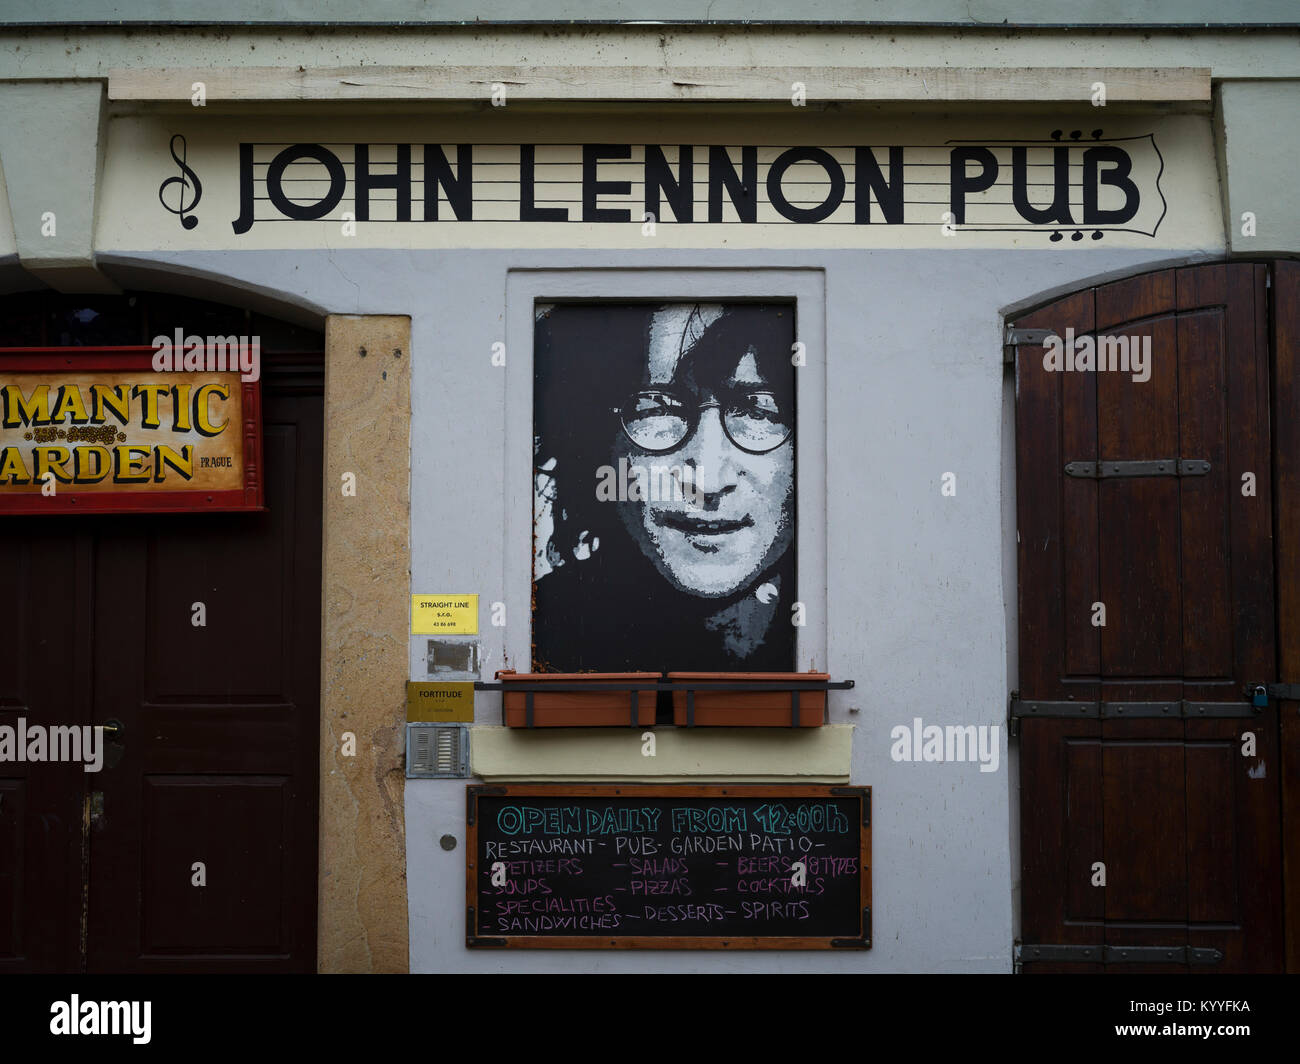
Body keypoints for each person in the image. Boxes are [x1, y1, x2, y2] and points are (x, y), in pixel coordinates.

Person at [532, 301, 796, 681]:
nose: (706, 482)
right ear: (595, 443)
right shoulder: (541, 633)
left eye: (759, 411)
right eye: (658, 408)